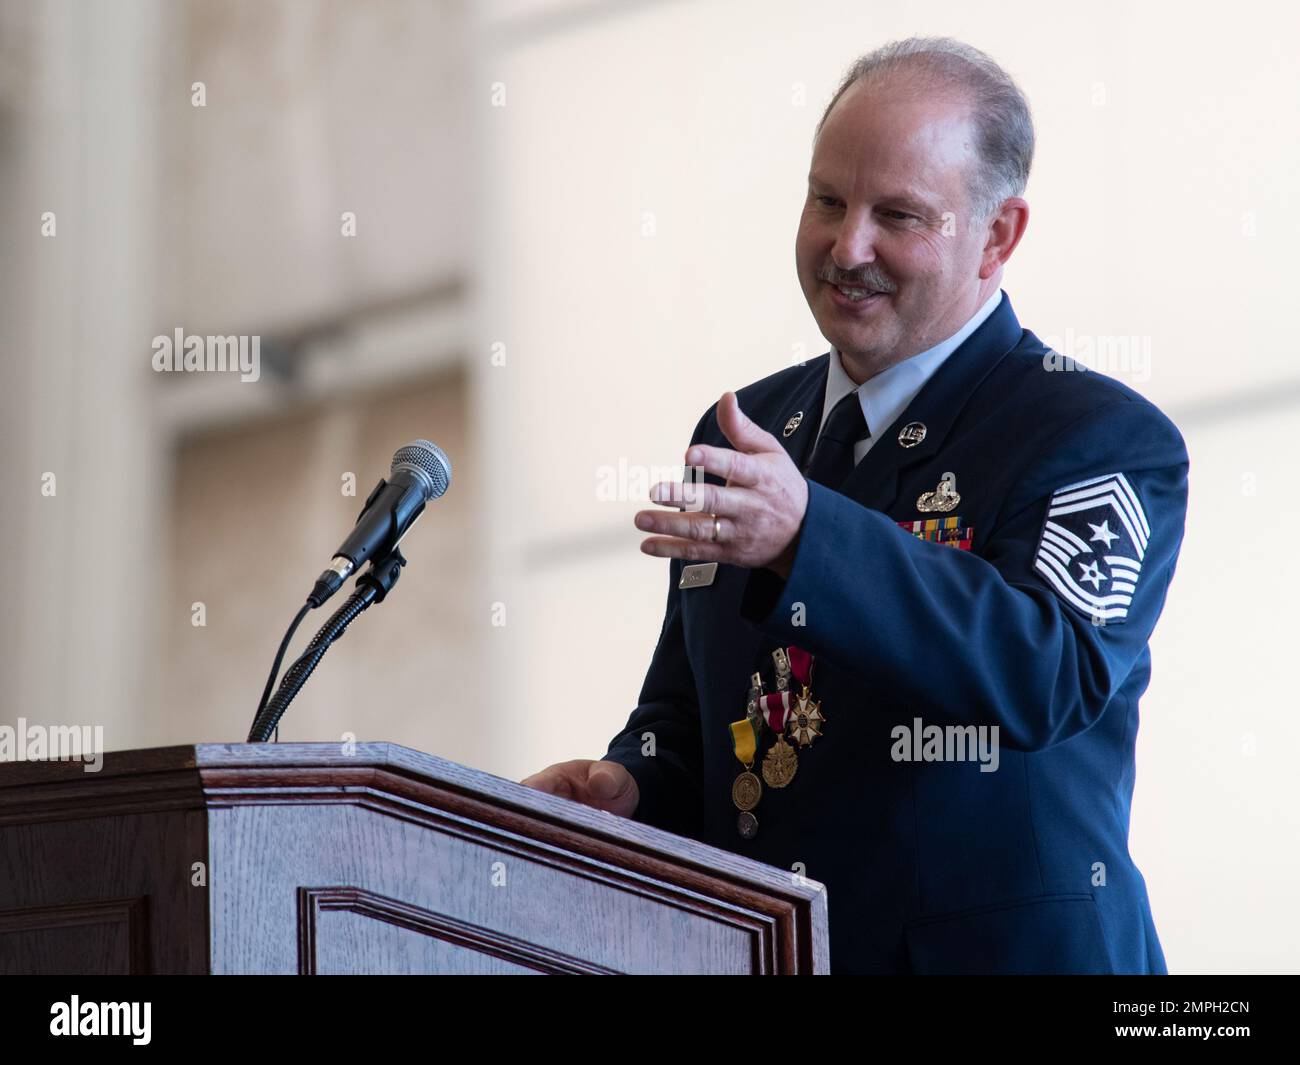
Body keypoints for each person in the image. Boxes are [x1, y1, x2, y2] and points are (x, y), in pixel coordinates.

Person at [522, 36, 1186, 975]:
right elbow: (702, 711)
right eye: (827, 201)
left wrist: (809, 536)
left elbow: (1052, 672)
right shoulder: (748, 426)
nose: (847, 247)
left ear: (997, 235)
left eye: (899, 216)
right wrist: (632, 780)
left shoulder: (1096, 434)